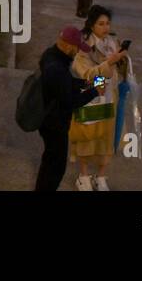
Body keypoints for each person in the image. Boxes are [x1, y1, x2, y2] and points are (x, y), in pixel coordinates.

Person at [34, 25, 103, 192]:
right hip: (54, 124)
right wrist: (95, 91)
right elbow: (71, 101)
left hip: (47, 118)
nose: (78, 52)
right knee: (56, 168)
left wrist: (87, 83)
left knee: (49, 162)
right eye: (77, 48)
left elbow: (66, 84)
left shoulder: (51, 55)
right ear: (67, 45)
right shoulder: (57, 69)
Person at [69, 6, 127, 191]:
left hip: (111, 95)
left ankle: (101, 175)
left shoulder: (113, 42)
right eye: (101, 24)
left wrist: (122, 59)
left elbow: (118, 72)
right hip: (91, 94)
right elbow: (85, 73)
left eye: (107, 23)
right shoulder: (84, 45)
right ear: (91, 25)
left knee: (106, 137)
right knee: (87, 135)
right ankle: (83, 174)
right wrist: (108, 63)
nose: (105, 27)